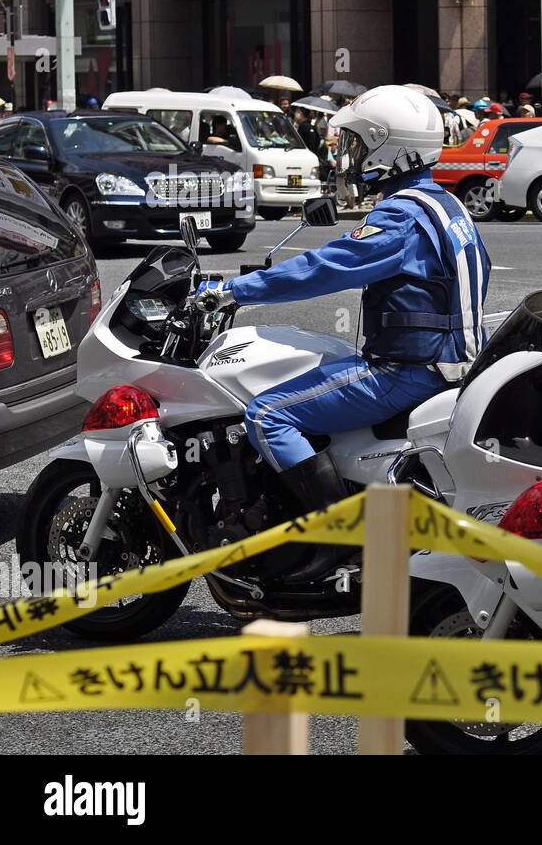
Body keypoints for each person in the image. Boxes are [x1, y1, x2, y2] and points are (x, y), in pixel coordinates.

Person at [193, 86, 491, 583]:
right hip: (454, 363)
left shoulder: (400, 215)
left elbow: (325, 268)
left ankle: (335, 542)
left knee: (267, 414)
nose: (348, 155)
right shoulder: (446, 205)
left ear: (388, 147)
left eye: (356, 143)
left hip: (406, 373)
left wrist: (235, 290)